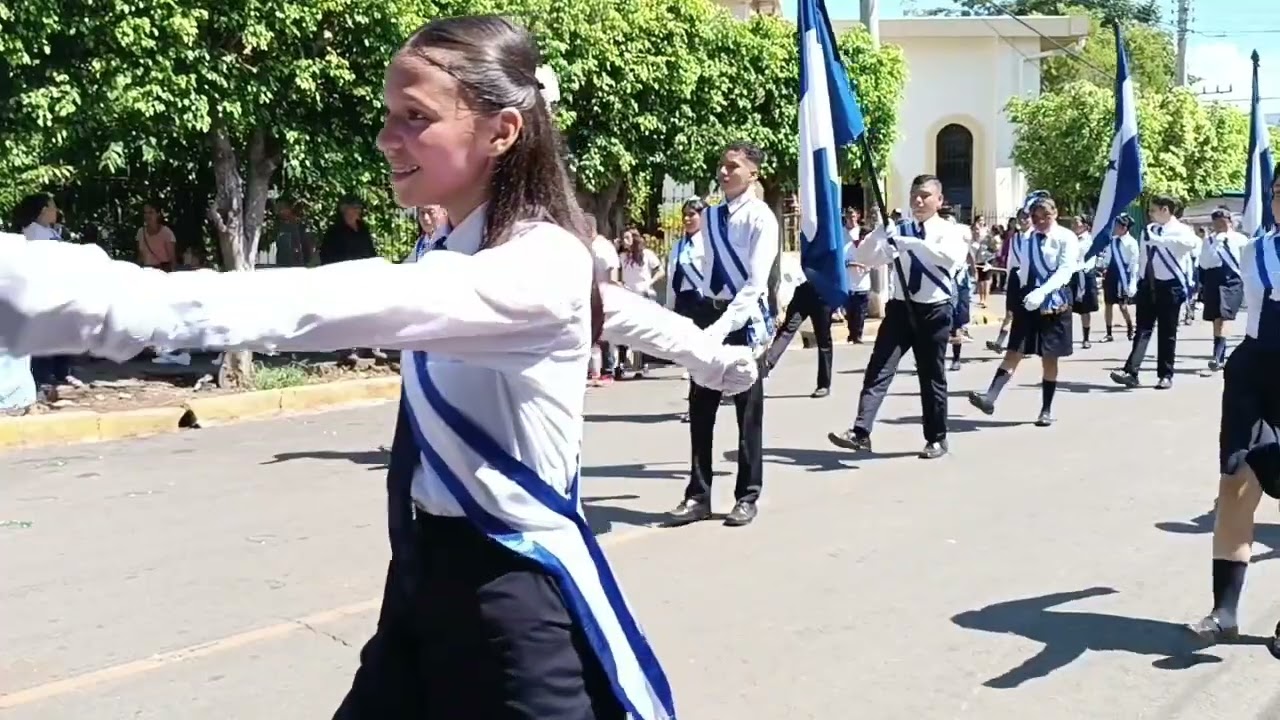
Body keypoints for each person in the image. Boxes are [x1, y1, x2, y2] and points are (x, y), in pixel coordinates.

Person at [0, 16, 763, 718]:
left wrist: (101, 303)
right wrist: (711, 358)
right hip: (422, 581)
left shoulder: (539, 263)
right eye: (389, 113)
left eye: (415, 117)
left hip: (511, 598)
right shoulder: (464, 251)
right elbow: (609, 310)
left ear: (502, 132)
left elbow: (340, 303)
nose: (385, 138)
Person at [1184, 171, 1280, 651]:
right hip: (1255, 373)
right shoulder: (1254, 249)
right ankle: (1224, 612)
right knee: (1235, 484)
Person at [667, 140, 777, 528]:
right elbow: (706, 268)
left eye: (733, 166)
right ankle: (698, 495)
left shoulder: (762, 218)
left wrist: (721, 326)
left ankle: (747, 496)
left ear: (753, 173)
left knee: (748, 413)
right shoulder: (711, 217)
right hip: (711, 315)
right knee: (701, 408)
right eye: (722, 165)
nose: (724, 171)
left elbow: (755, 284)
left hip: (743, 322)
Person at [827, 174, 968, 459]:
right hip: (901, 309)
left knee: (931, 375)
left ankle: (936, 438)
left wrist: (910, 243)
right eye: (915, 195)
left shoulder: (952, 231)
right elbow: (866, 258)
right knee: (879, 368)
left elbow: (948, 258)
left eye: (925, 195)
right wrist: (880, 233)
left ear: (939, 200)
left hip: (934, 310)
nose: (919, 200)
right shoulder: (900, 229)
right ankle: (861, 431)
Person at [967, 193, 1078, 427]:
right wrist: (1019, 298)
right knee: (1014, 351)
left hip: (1054, 302)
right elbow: (1022, 269)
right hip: (1029, 301)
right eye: (1035, 217)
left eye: (1045, 216)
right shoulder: (1027, 239)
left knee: (1049, 358)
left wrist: (1042, 292)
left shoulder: (1066, 237)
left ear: (1055, 214)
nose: (1040, 221)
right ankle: (990, 397)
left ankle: (1046, 410)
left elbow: (1066, 270)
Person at [1110, 194, 1201, 390]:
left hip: (1171, 286)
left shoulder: (1182, 230)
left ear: (1165, 210)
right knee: (1142, 330)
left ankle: (1165, 375)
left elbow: (1192, 245)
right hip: (1148, 285)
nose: (1150, 214)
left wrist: (1161, 241)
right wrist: (1137, 281)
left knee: (1167, 333)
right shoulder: (1148, 230)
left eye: (1153, 210)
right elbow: (1143, 258)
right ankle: (1131, 372)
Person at [666, 198, 707, 422]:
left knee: (700, 356)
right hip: (684, 303)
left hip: (702, 303)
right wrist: (669, 307)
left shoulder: (709, 243)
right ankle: (697, 404)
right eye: (685, 215)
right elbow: (672, 277)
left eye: (692, 214)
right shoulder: (678, 246)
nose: (687, 219)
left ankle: (698, 406)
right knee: (690, 356)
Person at [1198, 208, 1248, 372]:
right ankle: (1219, 355)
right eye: (1216, 222)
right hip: (1213, 279)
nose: (1219, 224)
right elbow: (1204, 263)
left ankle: (1217, 355)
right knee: (1217, 318)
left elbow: (1246, 262)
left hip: (1232, 281)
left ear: (1230, 221)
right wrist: (1214, 245)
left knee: (1225, 316)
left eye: (1223, 221)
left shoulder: (1241, 240)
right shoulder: (1209, 241)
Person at [986, 209, 1033, 353]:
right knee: (1010, 311)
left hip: (1030, 275)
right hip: (1015, 275)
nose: (1023, 220)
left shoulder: (1036, 236)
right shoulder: (1015, 237)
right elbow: (1010, 260)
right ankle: (999, 342)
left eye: (1026, 217)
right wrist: (1008, 281)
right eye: (1020, 218)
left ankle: (1027, 344)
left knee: (1028, 312)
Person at [1097, 214, 1139, 342]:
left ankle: (1130, 327)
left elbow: (1134, 263)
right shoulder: (1113, 241)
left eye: (1117, 226)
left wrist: (1132, 282)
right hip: (1111, 275)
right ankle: (1109, 333)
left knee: (1123, 306)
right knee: (1108, 304)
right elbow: (1107, 258)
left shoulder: (1131, 243)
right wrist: (1102, 265)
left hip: (1123, 276)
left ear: (1124, 228)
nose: (1114, 228)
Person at [1070, 214, 1099, 349]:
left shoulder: (1089, 240)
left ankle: (1086, 338)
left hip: (1084, 275)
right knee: (1066, 307)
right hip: (1071, 275)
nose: (1073, 225)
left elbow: (1080, 256)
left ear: (1085, 226)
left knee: (1085, 309)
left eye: (1077, 223)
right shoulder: (1071, 238)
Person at [843, 208, 871, 343]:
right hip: (850, 284)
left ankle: (857, 335)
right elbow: (845, 261)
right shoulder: (848, 246)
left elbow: (873, 262)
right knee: (851, 312)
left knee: (861, 312)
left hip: (864, 284)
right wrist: (858, 264)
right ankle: (852, 334)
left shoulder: (869, 247)